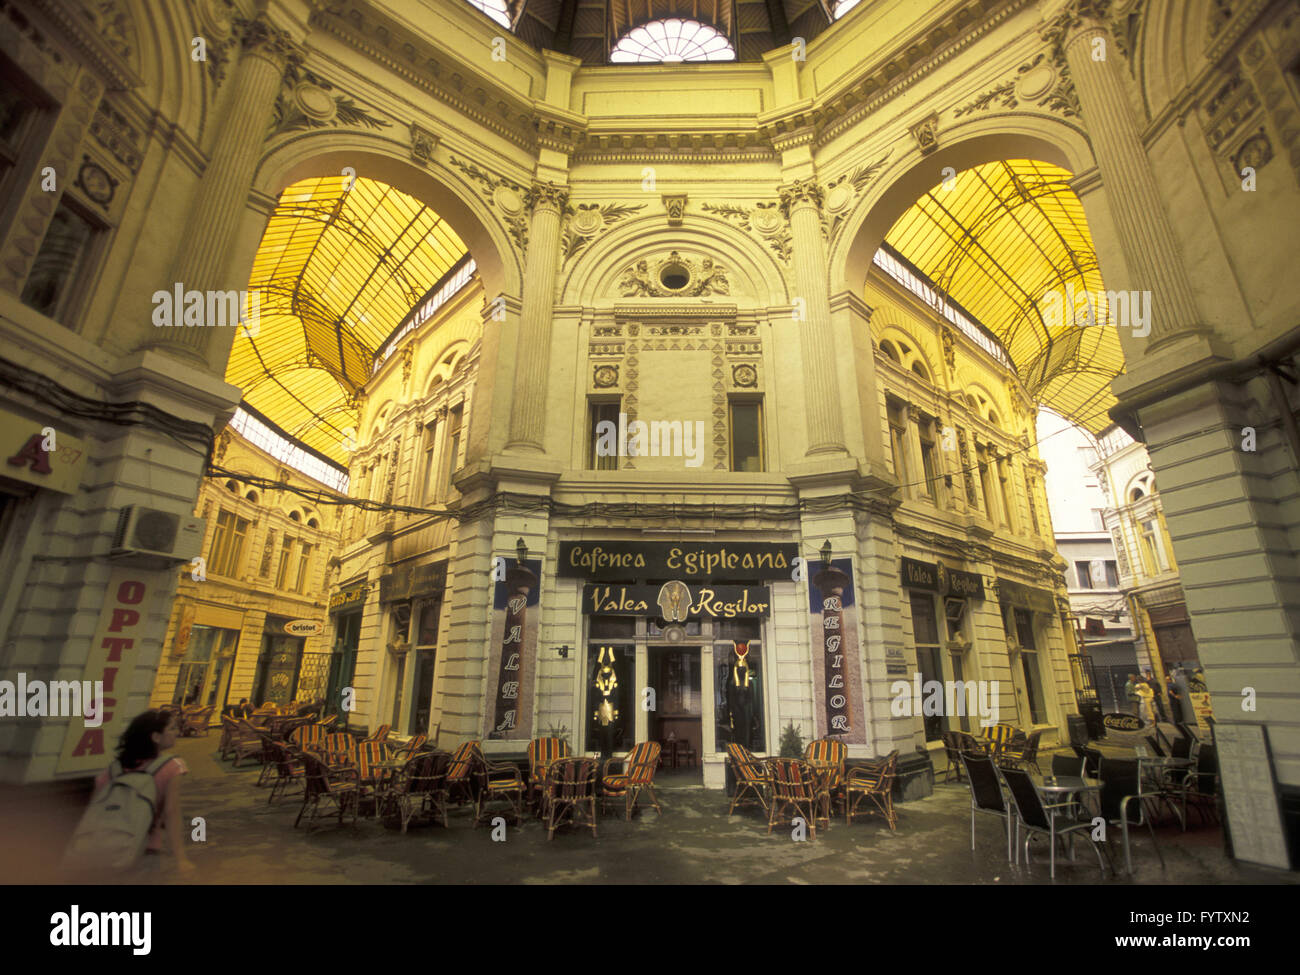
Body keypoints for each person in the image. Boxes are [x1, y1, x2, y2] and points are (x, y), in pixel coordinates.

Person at [92, 709, 195, 876]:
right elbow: (172, 813)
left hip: (103, 849)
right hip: (146, 850)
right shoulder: (171, 767)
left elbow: (96, 809)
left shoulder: (113, 769)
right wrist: (181, 858)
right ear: (156, 737)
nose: (177, 732)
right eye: (171, 728)